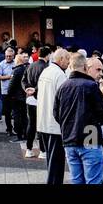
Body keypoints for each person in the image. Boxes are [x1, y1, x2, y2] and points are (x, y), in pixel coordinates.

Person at [54, 52, 103, 184]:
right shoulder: (90, 86)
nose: (101, 73)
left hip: (69, 138)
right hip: (90, 136)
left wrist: (67, 125)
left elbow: (56, 114)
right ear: (85, 67)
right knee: (94, 180)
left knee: (76, 179)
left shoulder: (63, 87)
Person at [36, 48, 70, 184]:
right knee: (56, 162)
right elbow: (64, 100)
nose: (68, 63)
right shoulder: (59, 75)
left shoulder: (46, 71)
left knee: (51, 160)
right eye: (67, 59)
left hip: (43, 122)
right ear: (60, 59)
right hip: (54, 125)